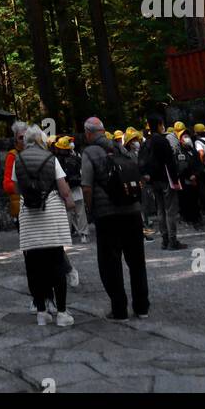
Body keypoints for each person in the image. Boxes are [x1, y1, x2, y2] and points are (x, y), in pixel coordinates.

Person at [82, 116, 150, 322]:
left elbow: (86, 186)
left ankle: (119, 310)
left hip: (107, 215)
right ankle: (142, 307)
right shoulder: (120, 146)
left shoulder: (90, 152)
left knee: (110, 262)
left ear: (88, 133)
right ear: (103, 130)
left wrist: (90, 208)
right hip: (131, 210)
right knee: (136, 261)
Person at [13, 124, 75, 328]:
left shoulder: (18, 160)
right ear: (41, 140)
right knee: (57, 263)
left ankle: (41, 312)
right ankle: (62, 313)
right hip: (50, 217)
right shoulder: (51, 159)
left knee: (34, 267)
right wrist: (69, 202)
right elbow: (63, 188)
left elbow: (16, 187)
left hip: (29, 219)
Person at [144, 113, 186, 249]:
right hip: (165, 178)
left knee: (160, 210)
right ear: (159, 125)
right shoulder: (162, 140)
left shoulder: (147, 142)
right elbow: (170, 161)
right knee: (170, 210)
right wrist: (175, 180)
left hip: (154, 180)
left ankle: (164, 239)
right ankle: (172, 241)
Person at [56, 135, 89, 242]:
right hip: (77, 189)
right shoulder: (77, 158)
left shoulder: (57, 161)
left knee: (67, 214)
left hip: (65, 190)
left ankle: (66, 236)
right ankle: (84, 235)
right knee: (80, 212)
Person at [3, 121, 28, 221]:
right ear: (16, 140)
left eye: (26, 136)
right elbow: (7, 184)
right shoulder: (12, 156)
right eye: (21, 137)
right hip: (20, 206)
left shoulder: (35, 153)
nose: (24, 140)